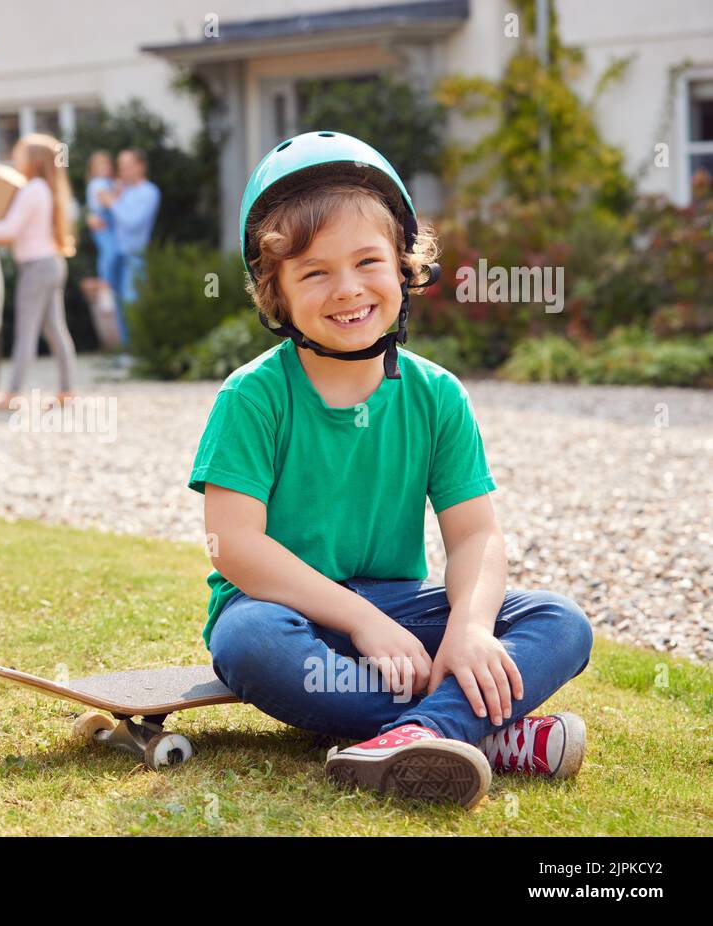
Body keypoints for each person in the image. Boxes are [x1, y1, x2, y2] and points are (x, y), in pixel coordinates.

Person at [189, 131, 593, 809]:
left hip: (401, 612)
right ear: (276, 293)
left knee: (560, 622)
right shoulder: (252, 396)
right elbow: (235, 546)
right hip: (288, 616)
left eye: (367, 261)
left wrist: (466, 627)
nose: (347, 290)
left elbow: (475, 537)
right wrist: (361, 623)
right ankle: (476, 731)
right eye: (314, 272)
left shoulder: (437, 395)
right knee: (250, 640)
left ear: (404, 266)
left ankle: (421, 732)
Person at [0, 133, 78, 412]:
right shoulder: (44, 189)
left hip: (37, 267)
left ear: (35, 160)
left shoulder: (32, 189)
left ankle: (12, 393)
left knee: (27, 331)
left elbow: (10, 229)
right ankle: (67, 389)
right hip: (51, 264)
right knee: (55, 329)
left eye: (20, 153)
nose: (15, 158)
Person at [95, 148, 160, 358]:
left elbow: (132, 223)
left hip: (136, 256)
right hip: (119, 255)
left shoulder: (149, 192)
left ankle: (138, 354)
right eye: (120, 165)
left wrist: (112, 202)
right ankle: (127, 353)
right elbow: (112, 221)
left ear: (140, 166)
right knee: (120, 304)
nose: (122, 170)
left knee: (132, 303)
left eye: (127, 165)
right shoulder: (122, 191)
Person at [84, 151, 122, 341]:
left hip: (107, 224)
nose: (105, 168)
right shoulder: (98, 184)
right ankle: (105, 286)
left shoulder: (107, 182)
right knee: (109, 253)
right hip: (103, 223)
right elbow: (107, 201)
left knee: (112, 254)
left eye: (107, 164)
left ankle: (109, 285)